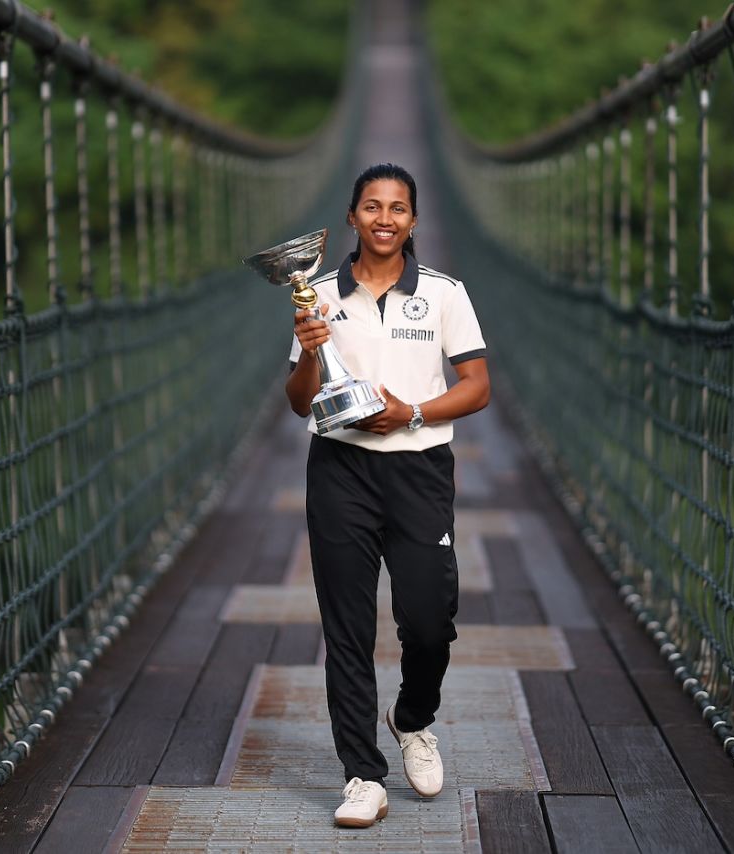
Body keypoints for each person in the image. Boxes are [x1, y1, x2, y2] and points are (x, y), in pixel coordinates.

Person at [286, 163, 491, 828]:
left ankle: (412, 718)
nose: (383, 218)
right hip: (340, 471)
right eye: (371, 206)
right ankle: (361, 776)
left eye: (397, 208)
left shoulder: (443, 294)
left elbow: (477, 386)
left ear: (413, 221)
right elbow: (297, 402)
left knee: (430, 620)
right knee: (346, 628)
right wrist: (312, 352)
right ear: (351, 217)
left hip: (420, 468)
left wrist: (411, 412)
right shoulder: (316, 295)